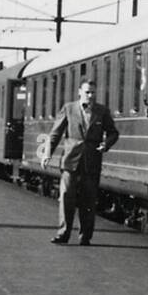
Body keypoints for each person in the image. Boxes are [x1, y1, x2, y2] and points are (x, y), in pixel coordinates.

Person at [46, 80, 119, 246]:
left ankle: (85, 236)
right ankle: (63, 233)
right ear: (80, 92)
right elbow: (55, 133)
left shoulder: (102, 111)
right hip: (70, 160)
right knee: (66, 197)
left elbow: (113, 133)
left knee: (89, 200)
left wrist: (106, 144)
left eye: (93, 92)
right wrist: (47, 153)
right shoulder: (69, 108)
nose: (91, 95)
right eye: (87, 92)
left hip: (92, 160)